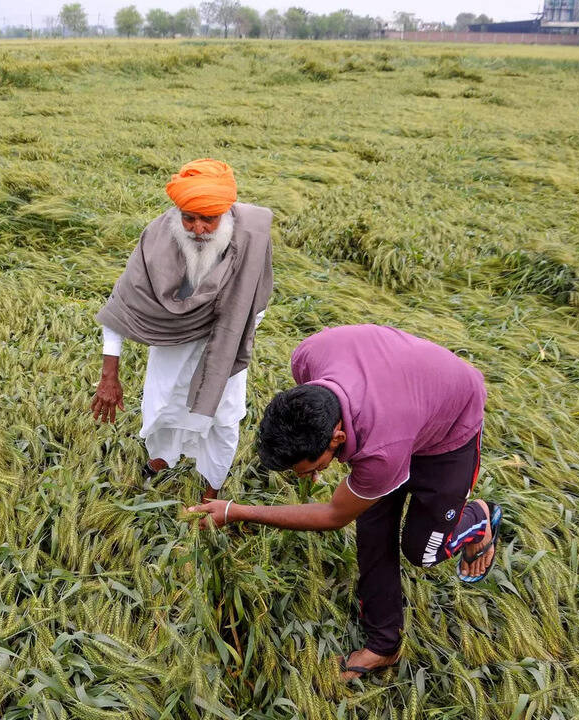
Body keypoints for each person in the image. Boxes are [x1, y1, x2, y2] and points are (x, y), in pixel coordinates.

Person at [188, 324, 503, 680]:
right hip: (405, 398)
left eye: (310, 467)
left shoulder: (379, 452)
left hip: (449, 425)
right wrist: (316, 460)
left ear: (337, 437)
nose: (302, 475)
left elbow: (334, 514)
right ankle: (384, 646)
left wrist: (235, 511)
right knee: (372, 530)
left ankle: (479, 518)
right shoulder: (307, 358)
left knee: (423, 552)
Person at [91, 159, 273, 500]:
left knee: (223, 418)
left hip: (226, 346)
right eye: (189, 218)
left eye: (209, 219)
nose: (199, 229)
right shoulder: (157, 239)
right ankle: (160, 461)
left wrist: (231, 332)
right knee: (163, 407)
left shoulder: (252, 240)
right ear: (177, 212)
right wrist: (109, 375)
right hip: (169, 346)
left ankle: (211, 492)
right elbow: (122, 303)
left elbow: (257, 302)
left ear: (226, 213)